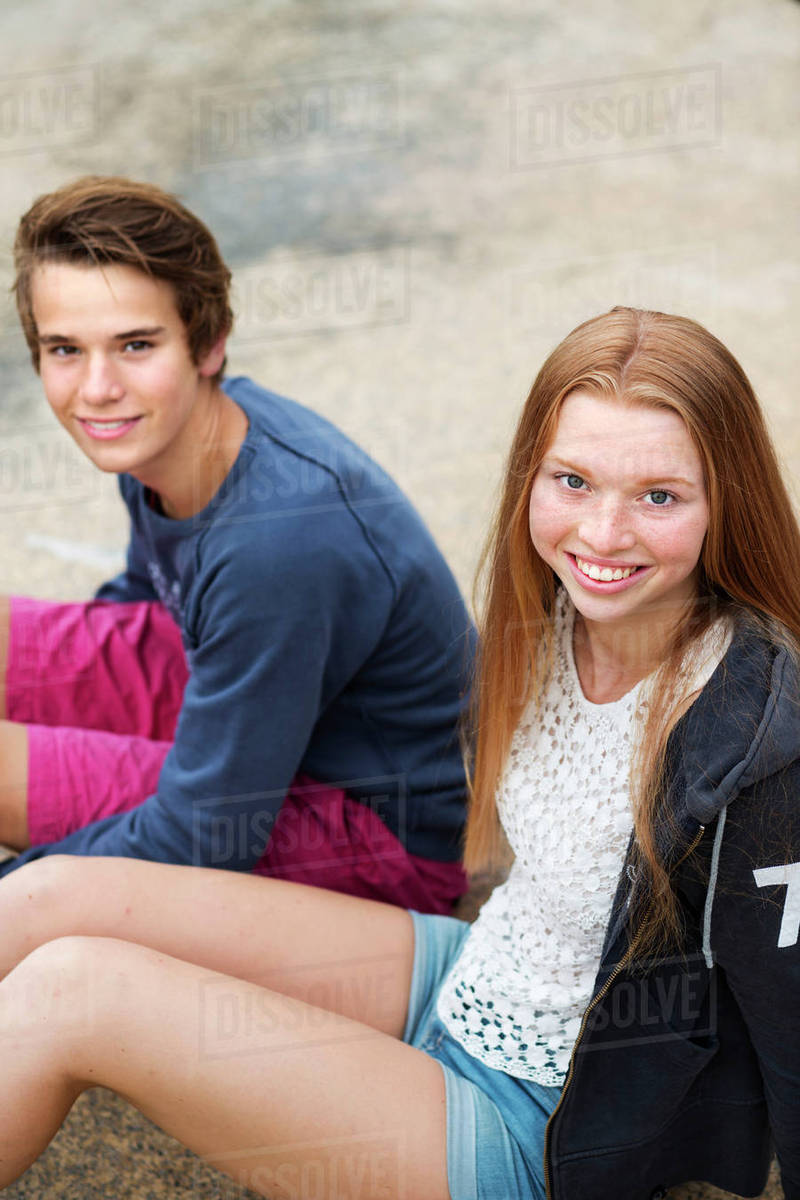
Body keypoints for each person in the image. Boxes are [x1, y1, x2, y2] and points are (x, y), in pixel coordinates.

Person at [1, 306, 799, 1200]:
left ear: (724, 498)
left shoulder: (755, 733)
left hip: (540, 1124)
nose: (603, 534)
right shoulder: (553, 614)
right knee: (49, 897)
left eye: (659, 495)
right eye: (572, 480)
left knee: (74, 994)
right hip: (467, 975)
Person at [0, 176, 473, 914]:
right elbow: (146, 591)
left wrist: (25, 882)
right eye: (65, 349)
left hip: (372, 829)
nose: (96, 388)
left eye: (135, 345)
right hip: (239, 697)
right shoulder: (162, 441)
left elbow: (201, 842)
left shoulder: (278, 545)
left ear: (209, 344)